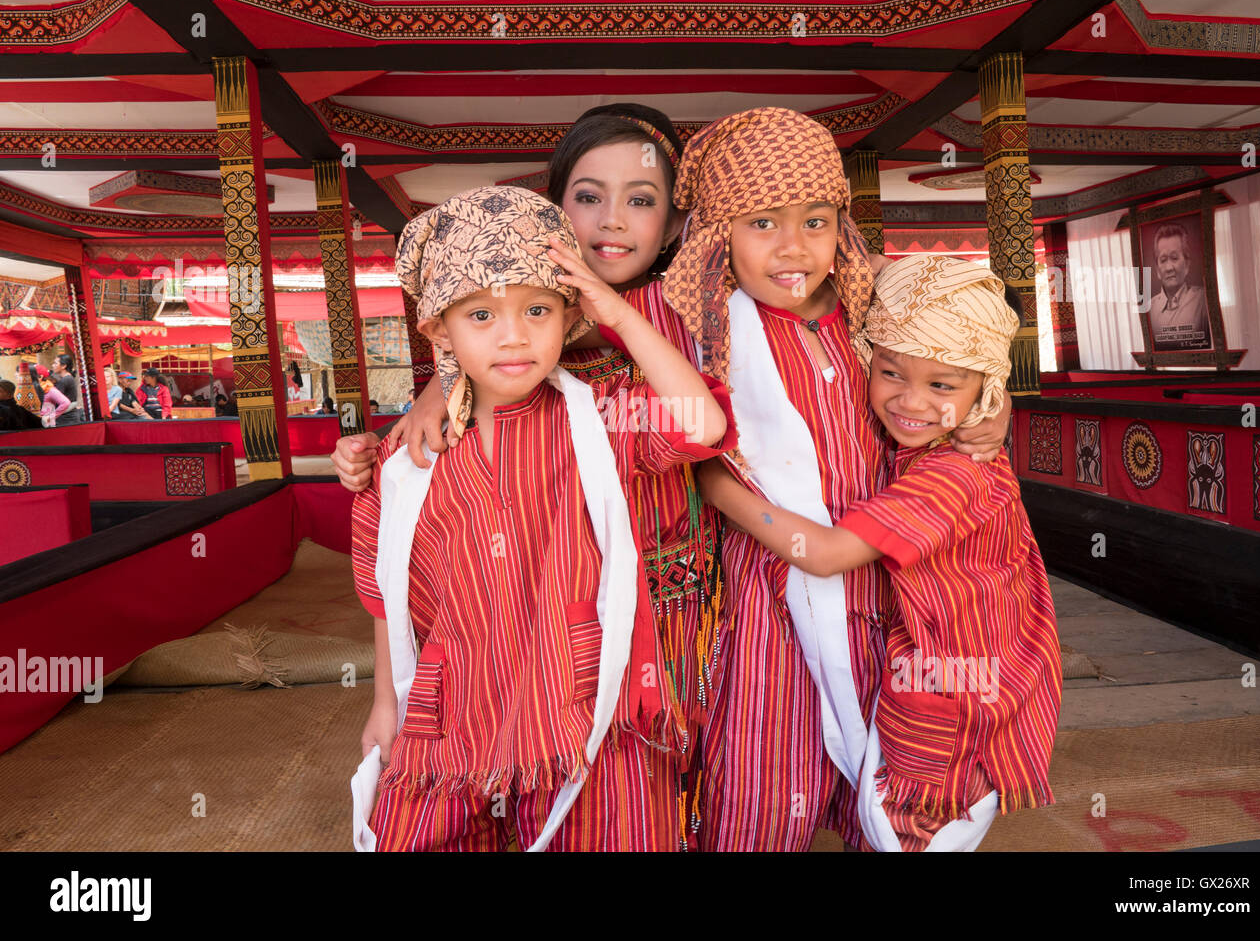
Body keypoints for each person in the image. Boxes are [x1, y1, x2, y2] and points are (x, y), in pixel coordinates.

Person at [338, 104, 736, 848]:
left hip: (590, 680)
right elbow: (388, 585)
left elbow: (702, 425)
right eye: (482, 315)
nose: (515, 333)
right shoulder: (416, 453)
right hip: (456, 705)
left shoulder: (615, 400)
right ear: (441, 330)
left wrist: (606, 303)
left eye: (536, 311)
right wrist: (387, 702)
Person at [658, 107, 1010, 851]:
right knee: (758, 794)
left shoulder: (881, 311)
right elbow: (545, 330)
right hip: (764, 609)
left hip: (897, 596)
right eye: (761, 223)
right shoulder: (691, 320)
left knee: (894, 800)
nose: (795, 248)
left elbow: (963, 368)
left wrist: (991, 410)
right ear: (720, 235)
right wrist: (438, 387)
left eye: (816, 220)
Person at [698, 255, 1061, 851]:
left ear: (986, 389)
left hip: (953, 702)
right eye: (891, 373)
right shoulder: (930, 446)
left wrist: (715, 484)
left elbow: (822, 553)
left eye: (942, 385)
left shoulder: (953, 475)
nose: (910, 402)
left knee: (905, 836)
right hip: (941, 681)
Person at [1146, 222, 1209, 350]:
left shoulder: (1203, 300)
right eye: (1163, 260)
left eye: (1174, 258)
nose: (1169, 268)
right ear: (1157, 270)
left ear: (1187, 264)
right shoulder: (1149, 309)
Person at [49, 354, 83, 426]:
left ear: (64, 366)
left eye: (55, 363)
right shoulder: (68, 378)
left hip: (66, 420)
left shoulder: (65, 380)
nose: (53, 365)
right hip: (68, 418)